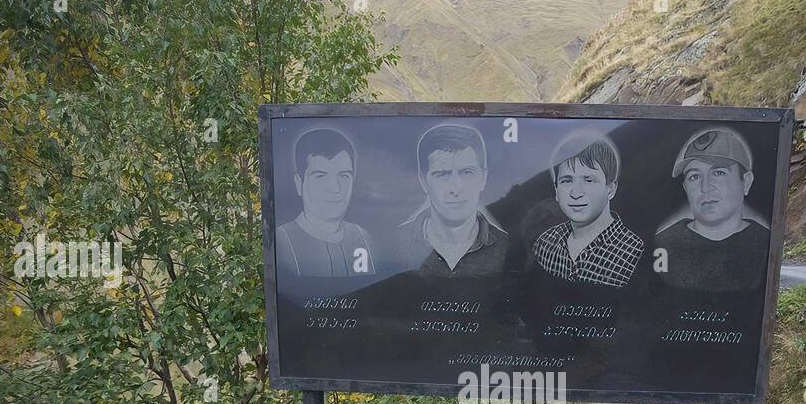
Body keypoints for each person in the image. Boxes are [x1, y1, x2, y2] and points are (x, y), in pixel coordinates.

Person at [653, 126, 770, 294]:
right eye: (694, 176)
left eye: (719, 173)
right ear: (685, 188)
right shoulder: (663, 244)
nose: (705, 187)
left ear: (746, 182)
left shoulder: (764, 244)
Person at [394, 123, 510, 279]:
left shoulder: (508, 247)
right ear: (423, 181)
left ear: (484, 177)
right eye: (442, 174)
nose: (456, 188)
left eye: (466, 172)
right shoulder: (395, 243)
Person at [532, 131, 643, 288]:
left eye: (589, 180)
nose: (576, 193)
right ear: (556, 191)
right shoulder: (545, 243)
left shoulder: (635, 252)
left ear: (611, 189)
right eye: (566, 180)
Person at [275, 127, 375, 280]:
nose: (335, 188)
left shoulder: (362, 237)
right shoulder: (281, 241)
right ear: (298, 183)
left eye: (344, 176)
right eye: (320, 176)